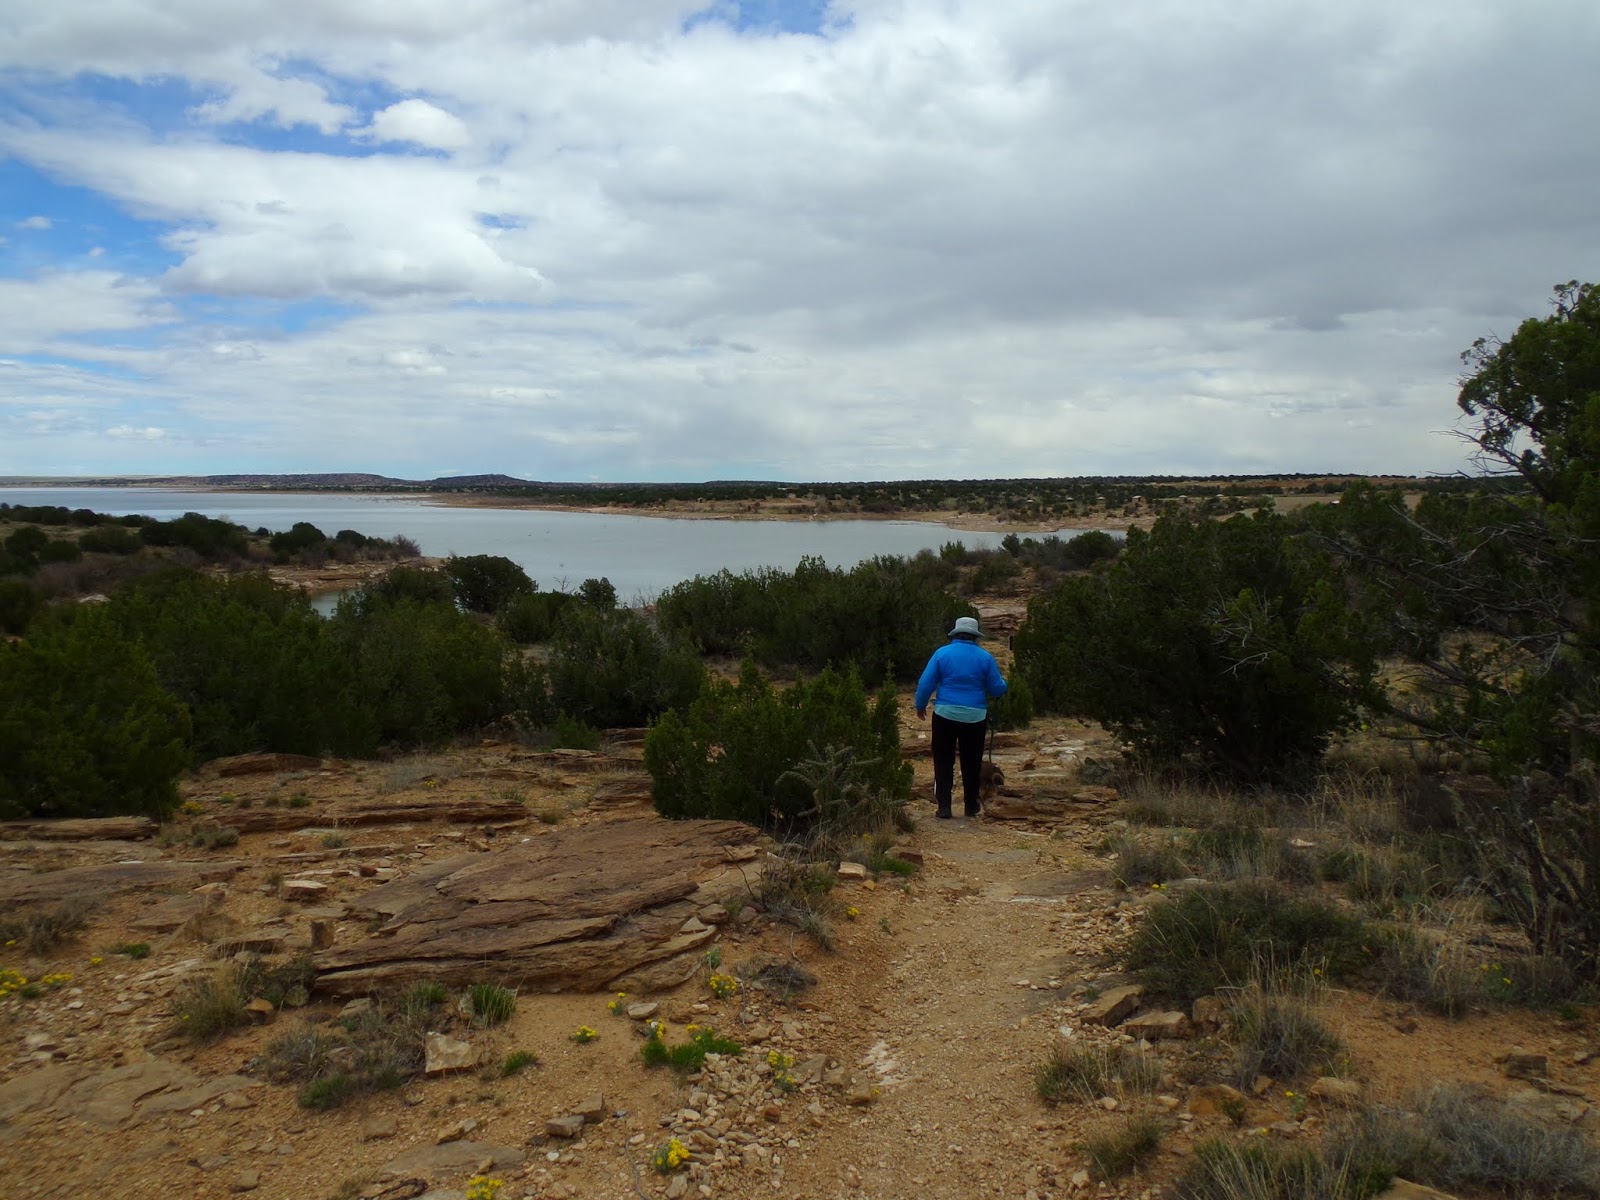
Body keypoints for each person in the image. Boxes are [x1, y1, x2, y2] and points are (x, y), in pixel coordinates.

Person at [914, 615, 1008, 819]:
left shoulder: (942, 653)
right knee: (971, 762)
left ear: (955, 634)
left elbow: (925, 683)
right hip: (975, 716)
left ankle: (944, 807)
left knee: (943, 760)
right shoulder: (985, 657)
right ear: (975, 637)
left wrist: (920, 705)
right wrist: (1004, 685)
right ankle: (970, 806)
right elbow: (997, 688)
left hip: (945, 713)